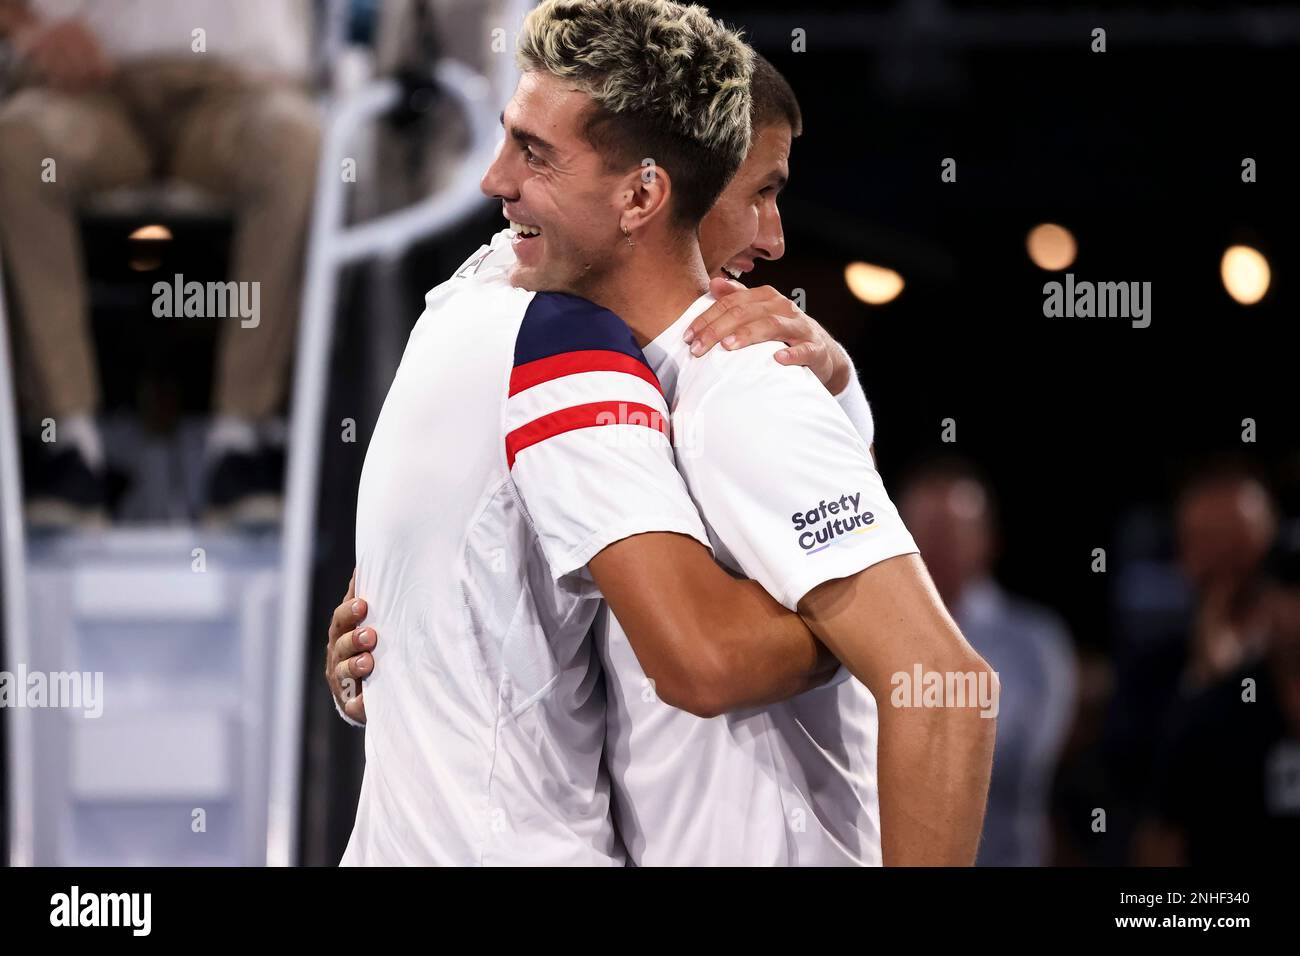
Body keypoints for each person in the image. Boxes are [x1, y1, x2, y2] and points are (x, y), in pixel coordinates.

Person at [339, 0, 994, 866]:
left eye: (532, 153)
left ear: (647, 193)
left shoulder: (742, 386)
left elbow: (944, 692)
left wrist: (870, 628)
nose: (494, 181)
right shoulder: (520, 314)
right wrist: (388, 644)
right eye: (757, 190)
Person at [0, 0, 320, 526]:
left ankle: (241, 443)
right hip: (90, 89)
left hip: (239, 90)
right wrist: (27, 30)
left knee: (298, 143)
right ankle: (66, 444)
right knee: (18, 143)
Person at [898, 457, 1077, 866]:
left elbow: (1014, 757)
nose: (935, 545)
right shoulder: (871, 632)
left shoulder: (1035, 641)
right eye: (922, 530)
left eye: (951, 531)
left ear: (987, 540)